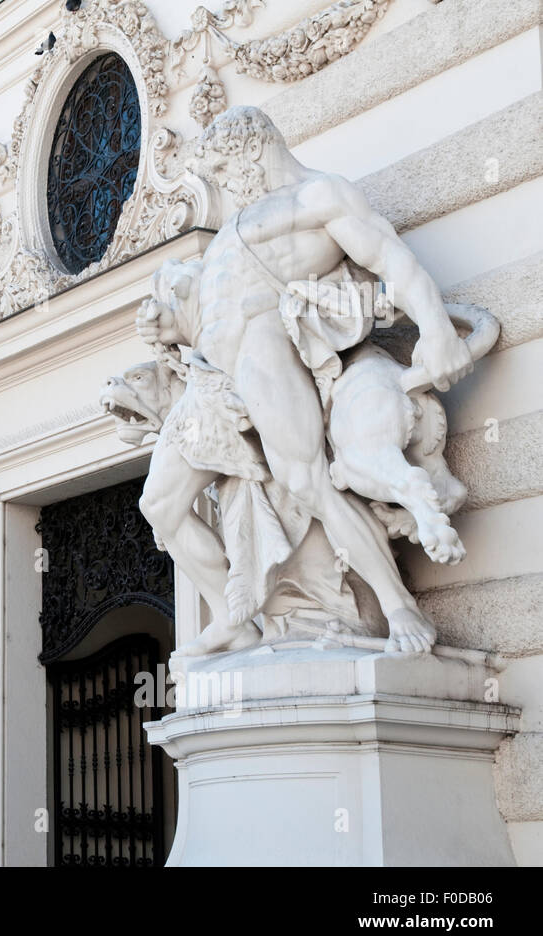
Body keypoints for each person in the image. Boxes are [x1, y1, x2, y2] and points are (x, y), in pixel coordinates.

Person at [169, 106, 473, 653]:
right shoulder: (242, 218)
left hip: (261, 350)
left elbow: (391, 259)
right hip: (207, 375)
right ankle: (231, 617)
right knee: (159, 504)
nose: (227, 188)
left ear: (253, 149)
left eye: (225, 170)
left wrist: (437, 329)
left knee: (307, 481)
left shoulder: (320, 196)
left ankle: (397, 605)